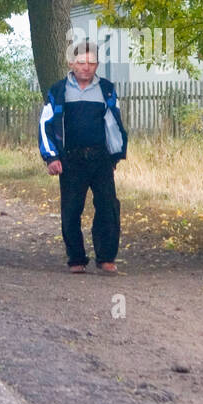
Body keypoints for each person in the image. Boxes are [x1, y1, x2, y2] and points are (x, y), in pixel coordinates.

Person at [39, 41, 128, 274]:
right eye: (81, 62)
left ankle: (106, 258)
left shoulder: (107, 89)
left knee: (108, 207)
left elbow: (114, 123)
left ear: (97, 64)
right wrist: (51, 157)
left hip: (101, 159)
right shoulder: (58, 91)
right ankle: (76, 259)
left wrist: (115, 155)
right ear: (71, 63)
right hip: (71, 160)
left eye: (91, 63)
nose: (86, 67)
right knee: (71, 209)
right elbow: (45, 125)